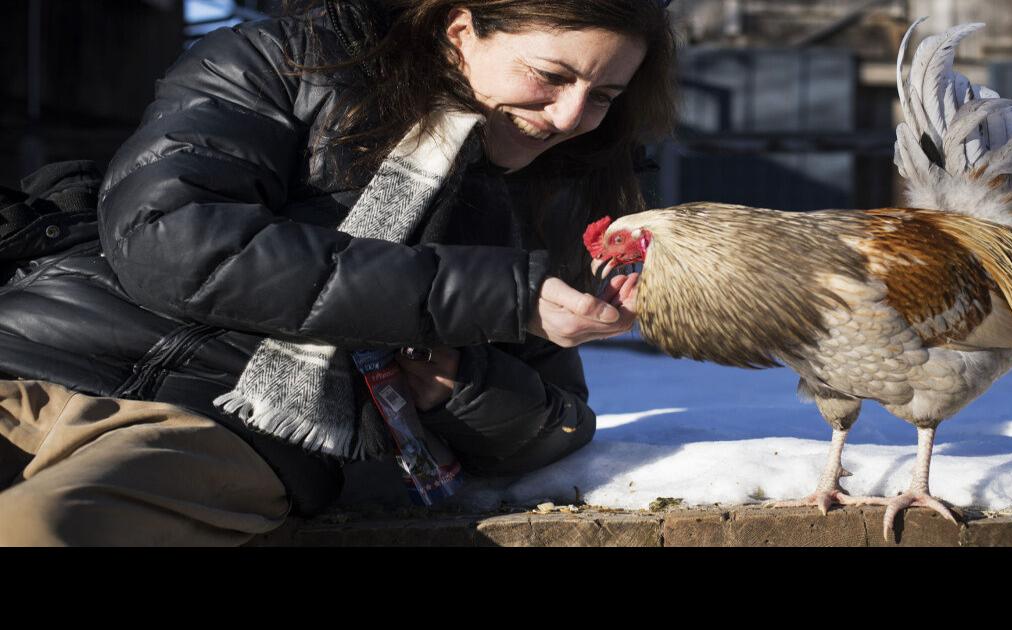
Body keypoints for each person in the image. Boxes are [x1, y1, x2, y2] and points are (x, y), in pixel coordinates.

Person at [0, 0, 676, 545]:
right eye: (552, 77)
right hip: (36, 355)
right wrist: (499, 295)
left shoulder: (559, 192)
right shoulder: (286, 65)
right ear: (462, 29)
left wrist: (458, 386)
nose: (571, 117)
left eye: (605, 94)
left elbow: (551, 424)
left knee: (41, 530)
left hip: (223, 428)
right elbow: (173, 243)